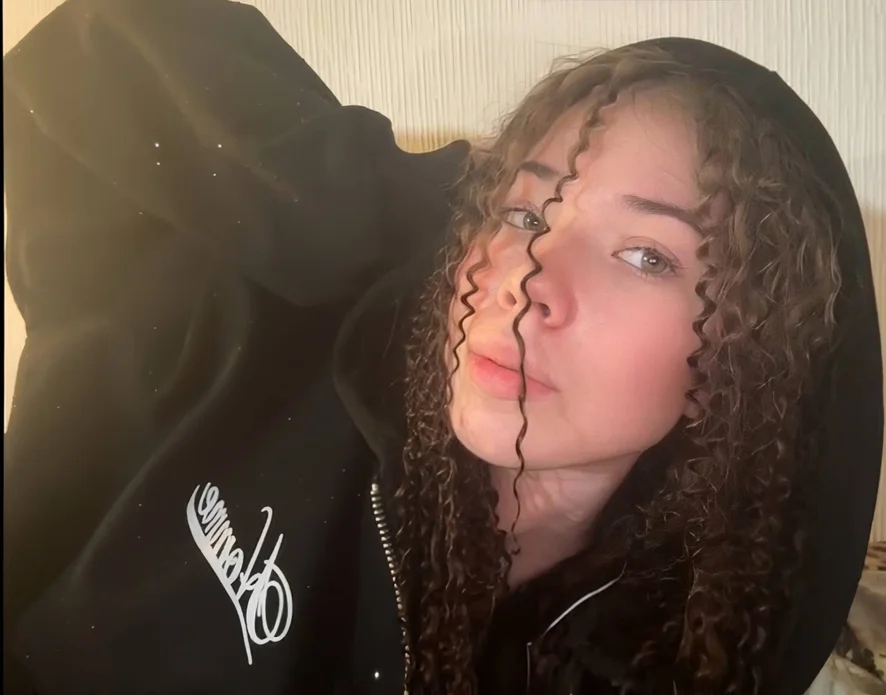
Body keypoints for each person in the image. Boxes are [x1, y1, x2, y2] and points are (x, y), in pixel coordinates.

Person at [3, 0, 882, 693]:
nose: (526, 278)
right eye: (525, 211)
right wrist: (400, 215)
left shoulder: (692, 637)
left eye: (645, 255)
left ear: (739, 360)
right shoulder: (254, 353)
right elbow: (90, 47)